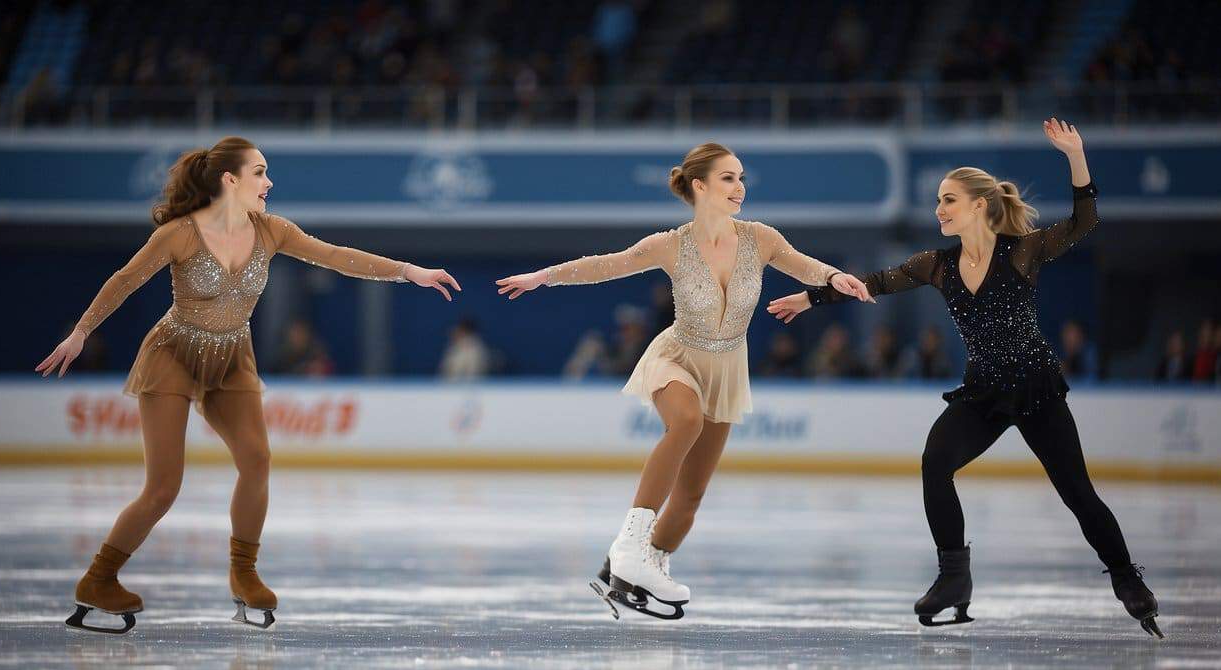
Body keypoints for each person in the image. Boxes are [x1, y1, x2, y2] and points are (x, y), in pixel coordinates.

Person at [37, 136, 459, 633]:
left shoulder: (272, 230)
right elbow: (126, 279)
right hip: (173, 354)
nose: (269, 182)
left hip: (233, 356)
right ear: (229, 180)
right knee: (163, 487)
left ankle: (244, 572)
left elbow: (336, 256)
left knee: (257, 461)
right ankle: (99, 577)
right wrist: (81, 332)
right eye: (260, 172)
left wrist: (409, 271)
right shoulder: (180, 234)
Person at [768, 119, 1161, 638]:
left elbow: (1085, 220)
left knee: (1077, 494)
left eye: (948, 200)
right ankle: (954, 577)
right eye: (937, 200)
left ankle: (1128, 580)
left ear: (979, 204)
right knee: (936, 462)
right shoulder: (937, 264)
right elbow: (873, 284)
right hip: (982, 393)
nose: (938, 210)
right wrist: (813, 296)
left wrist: (1076, 156)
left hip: (1035, 389)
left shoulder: (1022, 250)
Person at [496, 142, 869, 619]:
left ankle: (641, 565)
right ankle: (628, 543)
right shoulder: (670, 244)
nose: (740, 187)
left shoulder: (762, 239)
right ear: (700, 186)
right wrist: (542, 277)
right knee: (686, 420)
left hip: (727, 366)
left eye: (741, 178)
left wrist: (835, 277)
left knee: (691, 496)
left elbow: (802, 264)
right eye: (729, 178)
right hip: (676, 357)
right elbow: (604, 266)